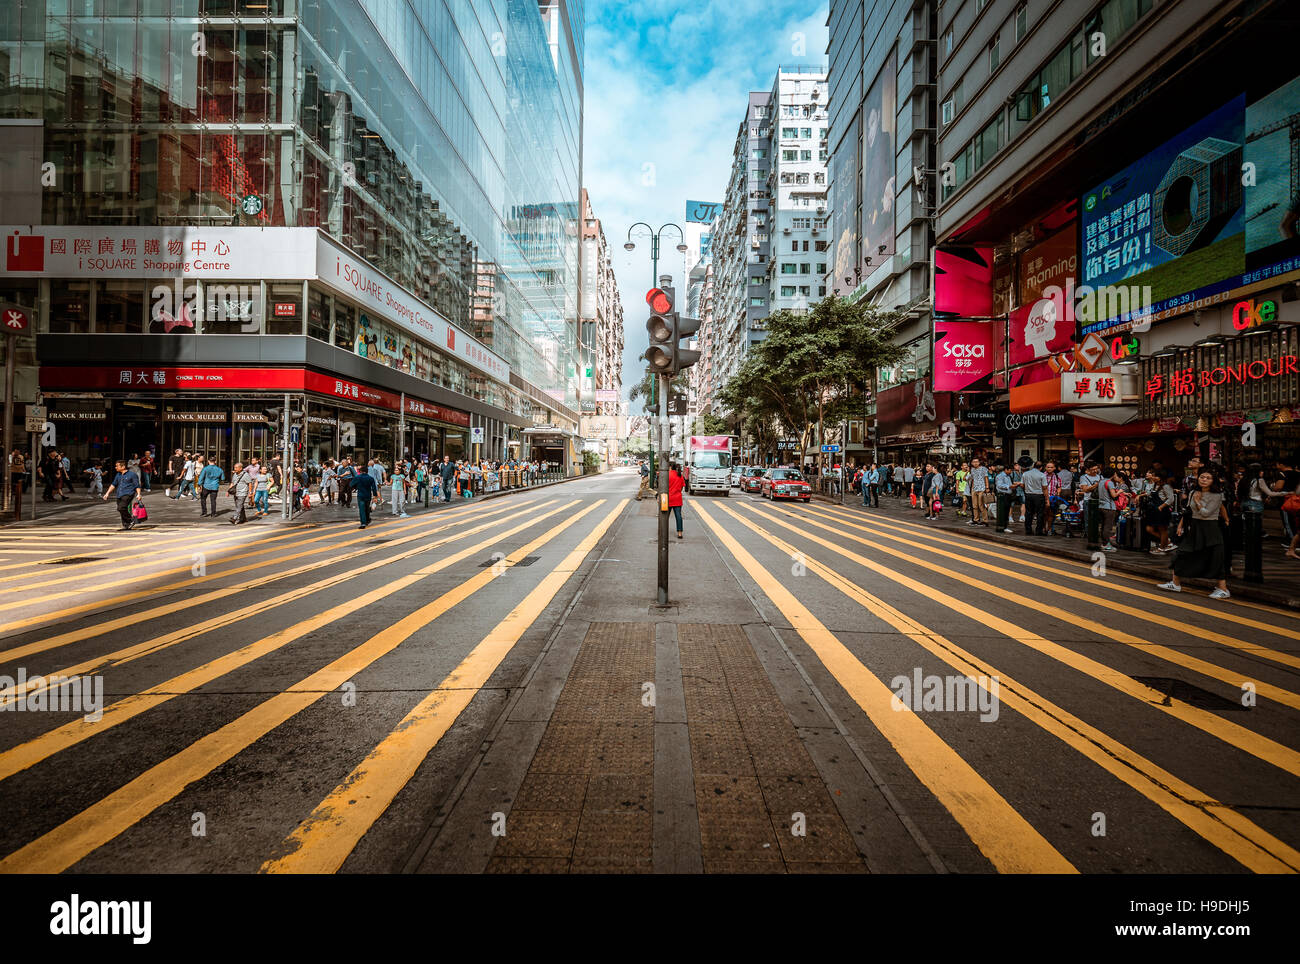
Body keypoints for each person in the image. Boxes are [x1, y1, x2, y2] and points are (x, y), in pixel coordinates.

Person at [1159, 470, 1230, 599]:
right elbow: (1188, 512)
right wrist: (1180, 525)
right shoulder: (1193, 492)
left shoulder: (1217, 495)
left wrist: (1198, 501)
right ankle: (1175, 583)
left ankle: (1223, 589)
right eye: (1202, 477)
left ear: (1213, 481)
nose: (1204, 479)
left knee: (1215, 557)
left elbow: (1206, 513)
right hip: (1195, 526)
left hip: (1210, 528)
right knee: (1182, 553)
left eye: (1208, 478)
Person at [103, 459, 142, 530]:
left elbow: (137, 485)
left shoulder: (132, 475)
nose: (115, 467)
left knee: (121, 508)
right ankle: (126, 525)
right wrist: (107, 493)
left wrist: (138, 494)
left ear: (123, 466)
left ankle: (131, 520)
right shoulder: (118, 475)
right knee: (121, 510)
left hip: (128, 494)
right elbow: (113, 484)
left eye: (117, 466)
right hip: (119, 494)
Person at [1144, 470, 1177, 554]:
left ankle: (1162, 548)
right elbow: (1150, 494)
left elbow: (1171, 499)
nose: (1154, 477)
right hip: (1155, 511)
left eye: (1156, 476)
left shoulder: (1166, 486)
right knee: (1149, 529)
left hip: (1162, 511)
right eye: (1154, 476)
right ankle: (1168, 542)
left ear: (1161, 478)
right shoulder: (1155, 485)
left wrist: (1161, 507)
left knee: (1162, 530)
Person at [1021, 461, 1046, 535]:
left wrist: (1026, 490)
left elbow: (1022, 485)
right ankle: (1039, 531)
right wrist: (1047, 499)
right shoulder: (1042, 475)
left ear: (1033, 466)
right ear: (1041, 468)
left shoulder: (1025, 474)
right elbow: (1044, 487)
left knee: (1028, 513)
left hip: (1028, 495)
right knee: (1040, 514)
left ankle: (1028, 530)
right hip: (1039, 495)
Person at [993, 462, 1015, 532]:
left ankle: (1005, 526)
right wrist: (1009, 486)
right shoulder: (1000, 476)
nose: (1011, 472)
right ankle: (1003, 527)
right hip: (1003, 496)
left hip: (1008, 495)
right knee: (1003, 512)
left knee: (1006, 511)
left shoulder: (1008, 476)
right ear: (1006, 469)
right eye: (1010, 470)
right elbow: (999, 486)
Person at [968, 457, 989, 527]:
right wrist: (972, 489)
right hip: (974, 489)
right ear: (971, 463)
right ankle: (976, 520)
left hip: (982, 488)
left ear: (979, 462)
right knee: (974, 506)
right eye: (973, 462)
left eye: (976, 462)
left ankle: (985, 521)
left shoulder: (983, 469)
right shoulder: (972, 469)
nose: (975, 463)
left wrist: (987, 487)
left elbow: (986, 478)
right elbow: (972, 479)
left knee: (981, 505)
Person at [668, 461, 685, 539]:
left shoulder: (667, 475)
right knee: (678, 516)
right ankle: (680, 533)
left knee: (665, 516)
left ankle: (664, 531)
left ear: (670, 467)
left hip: (668, 499)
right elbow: (682, 487)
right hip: (677, 498)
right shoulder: (679, 475)